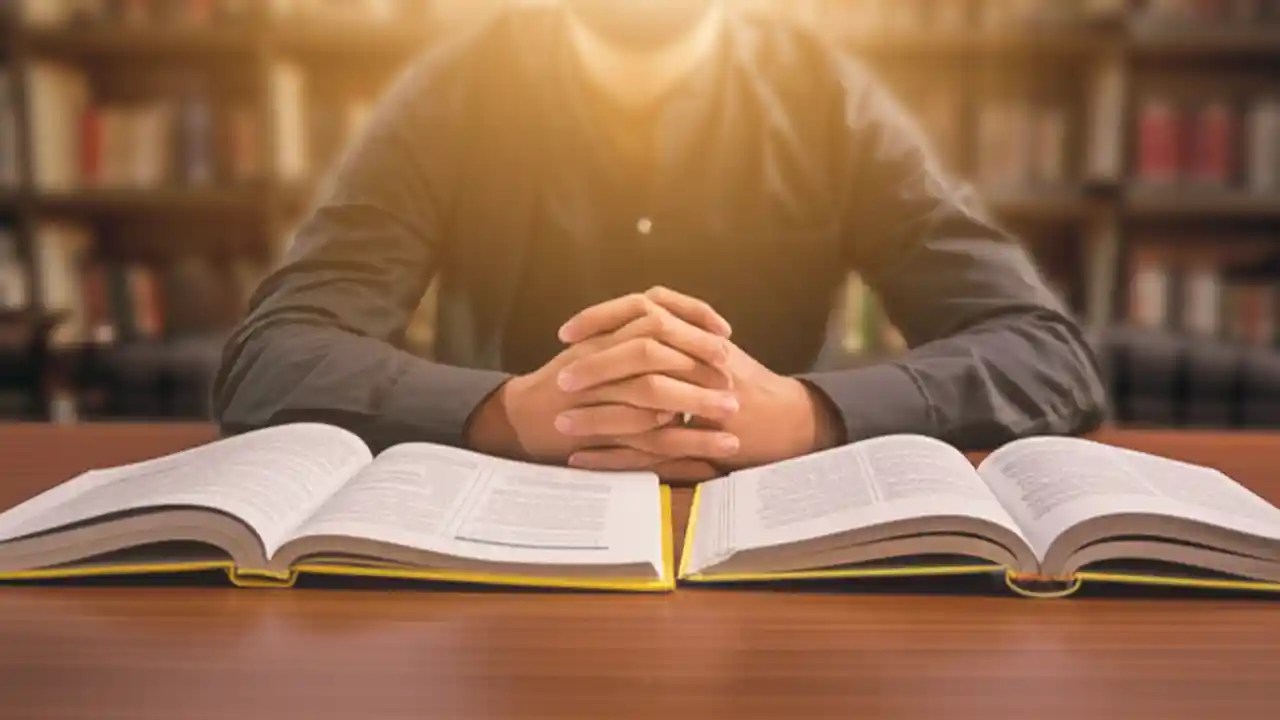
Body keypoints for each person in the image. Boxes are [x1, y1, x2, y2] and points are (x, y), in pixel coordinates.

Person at [213, 0, 1107, 482]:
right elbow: (272, 358)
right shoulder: (451, 91)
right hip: (489, 547)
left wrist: (804, 417)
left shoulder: (826, 96)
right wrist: (504, 414)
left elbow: (1045, 356)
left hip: (787, 542)